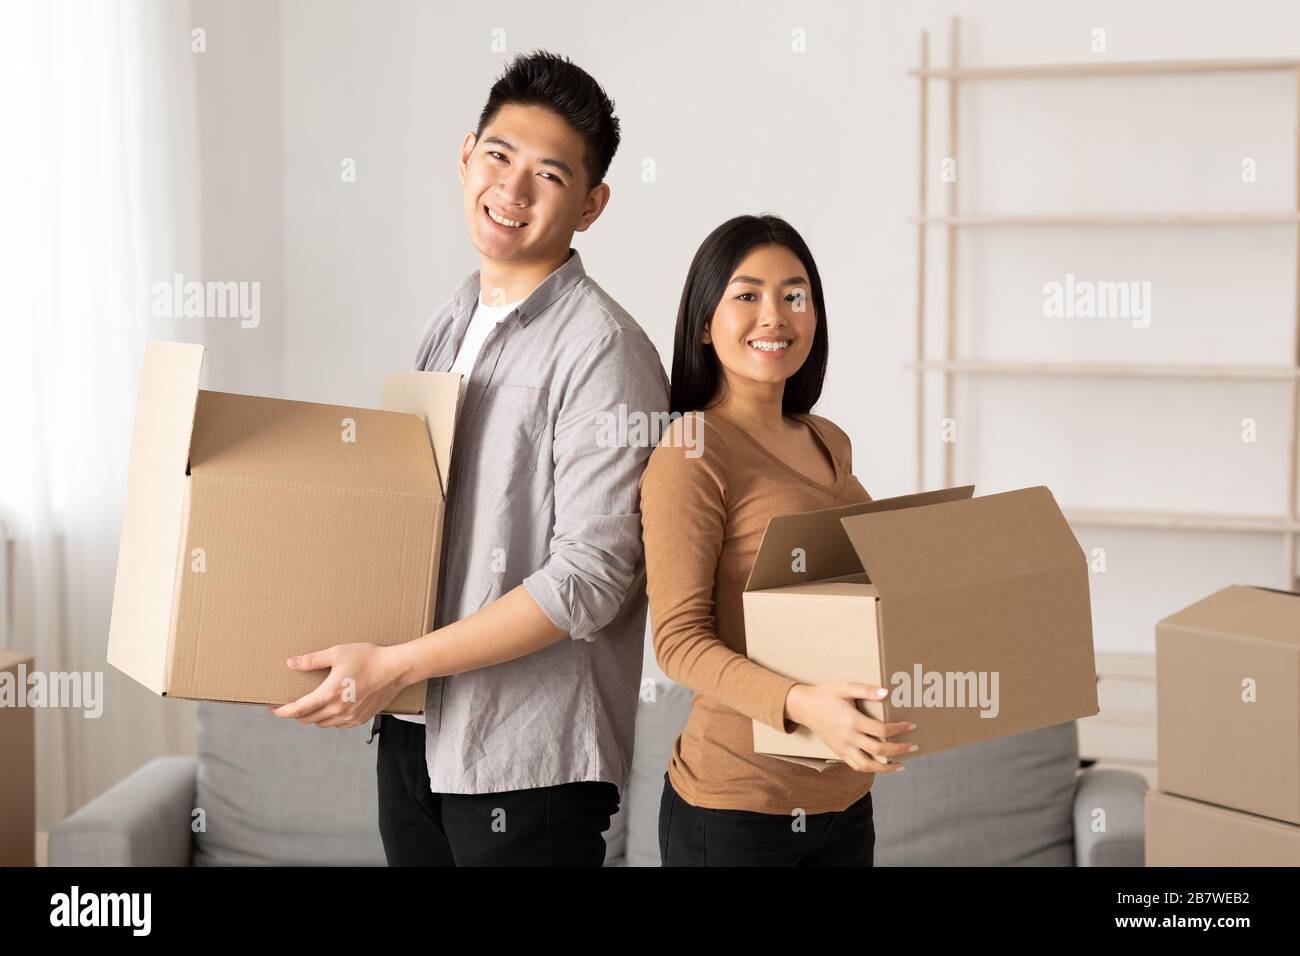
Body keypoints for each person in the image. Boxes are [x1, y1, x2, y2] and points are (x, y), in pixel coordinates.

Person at [272, 50, 669, 867]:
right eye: (499, 157)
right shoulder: (451, 322)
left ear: (592, 206)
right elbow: (411, 522)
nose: (513, 191)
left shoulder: (605, 351)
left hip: (529, 766)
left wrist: (396, 664)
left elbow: (590, 581)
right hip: (414, 735)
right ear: (466, 157)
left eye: (549, 176)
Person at [639, 214, 917, 866]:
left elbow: (864, 592)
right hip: (736, 807)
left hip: (845, 798)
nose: (775, 316)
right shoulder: (692, 451)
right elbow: (676, 644)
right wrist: (803, 705)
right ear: (705, 324)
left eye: (795, 296)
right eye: (747, 295)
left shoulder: (827, 438)